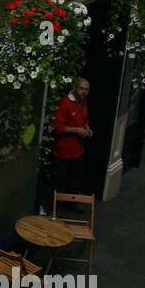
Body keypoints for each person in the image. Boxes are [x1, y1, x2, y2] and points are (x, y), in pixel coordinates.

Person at [50, 77, 92, 210]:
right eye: (81, 88)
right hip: (63, 151)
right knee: (60, 182)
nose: (84, 92)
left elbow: (84, 120)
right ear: (75, 88)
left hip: (78, 150)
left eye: (86, 90)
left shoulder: (83, 103)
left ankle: (71, 204)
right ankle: (56, 208)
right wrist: (77, 131)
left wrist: (86, 129)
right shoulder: (65, 103)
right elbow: (57, 127)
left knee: (75, 181)